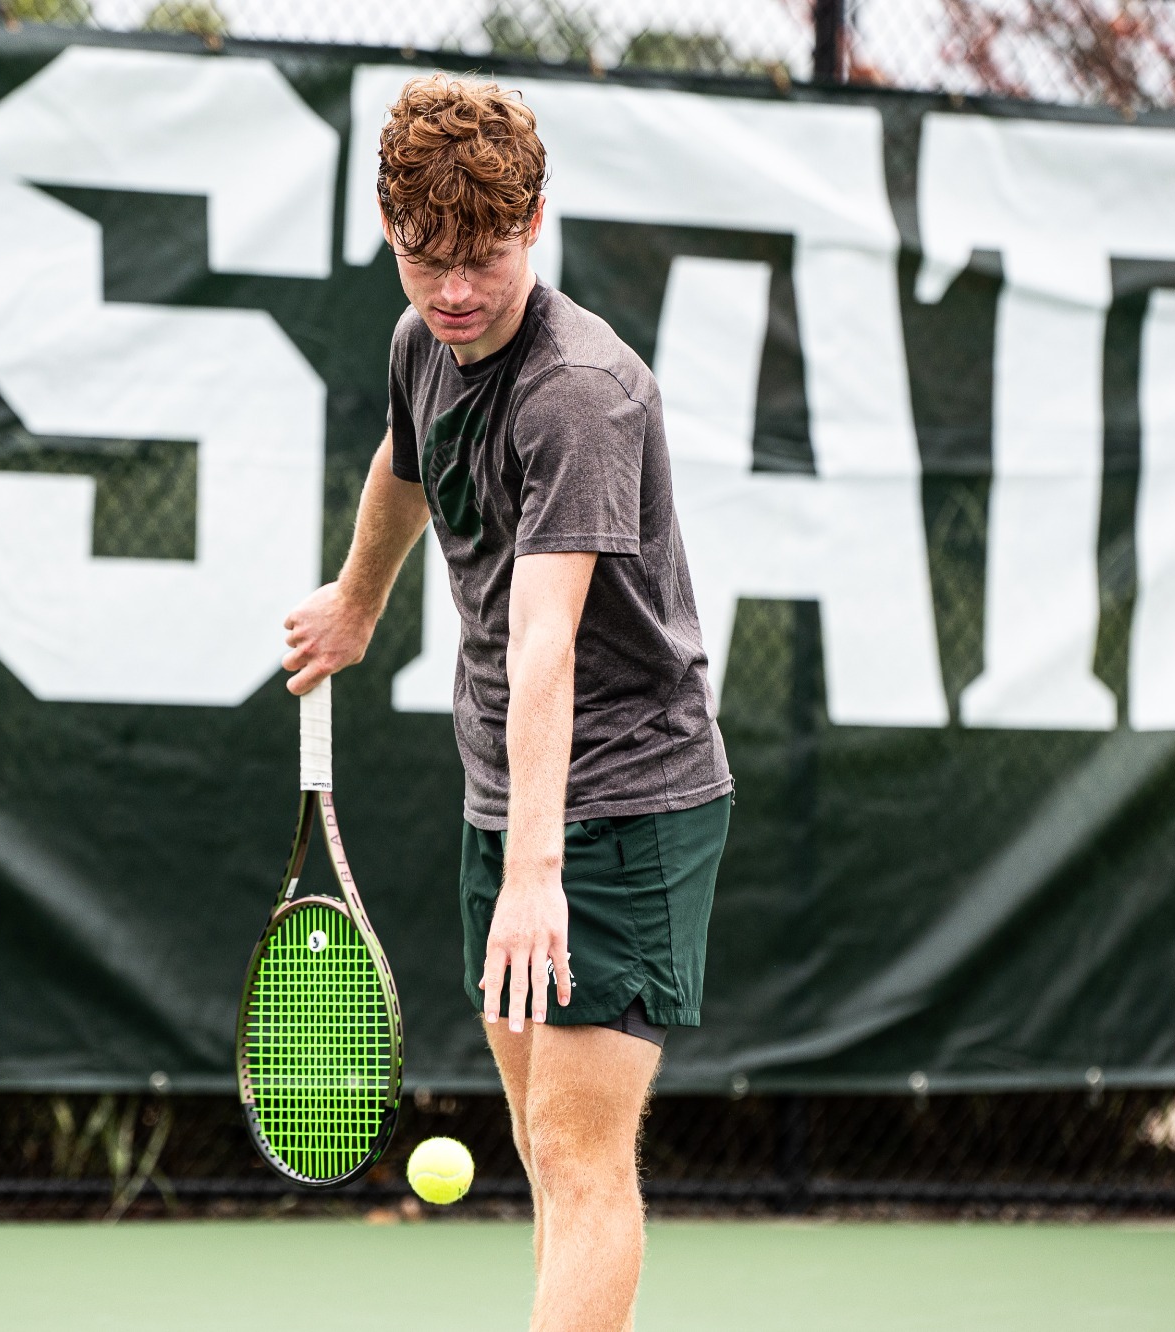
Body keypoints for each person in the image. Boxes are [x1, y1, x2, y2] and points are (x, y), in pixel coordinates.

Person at [281, 74, 731, 1332]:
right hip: (507, 799)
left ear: (533, 220)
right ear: (389, 232)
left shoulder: (578, 394)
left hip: (627, 807)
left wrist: (537, 873)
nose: (454, 292)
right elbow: (402, 465)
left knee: (582, 1161)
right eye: (425, 261)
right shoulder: (422, 342)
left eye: (480, 257)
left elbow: (546, 639)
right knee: (546, 1148)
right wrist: (360, 603)